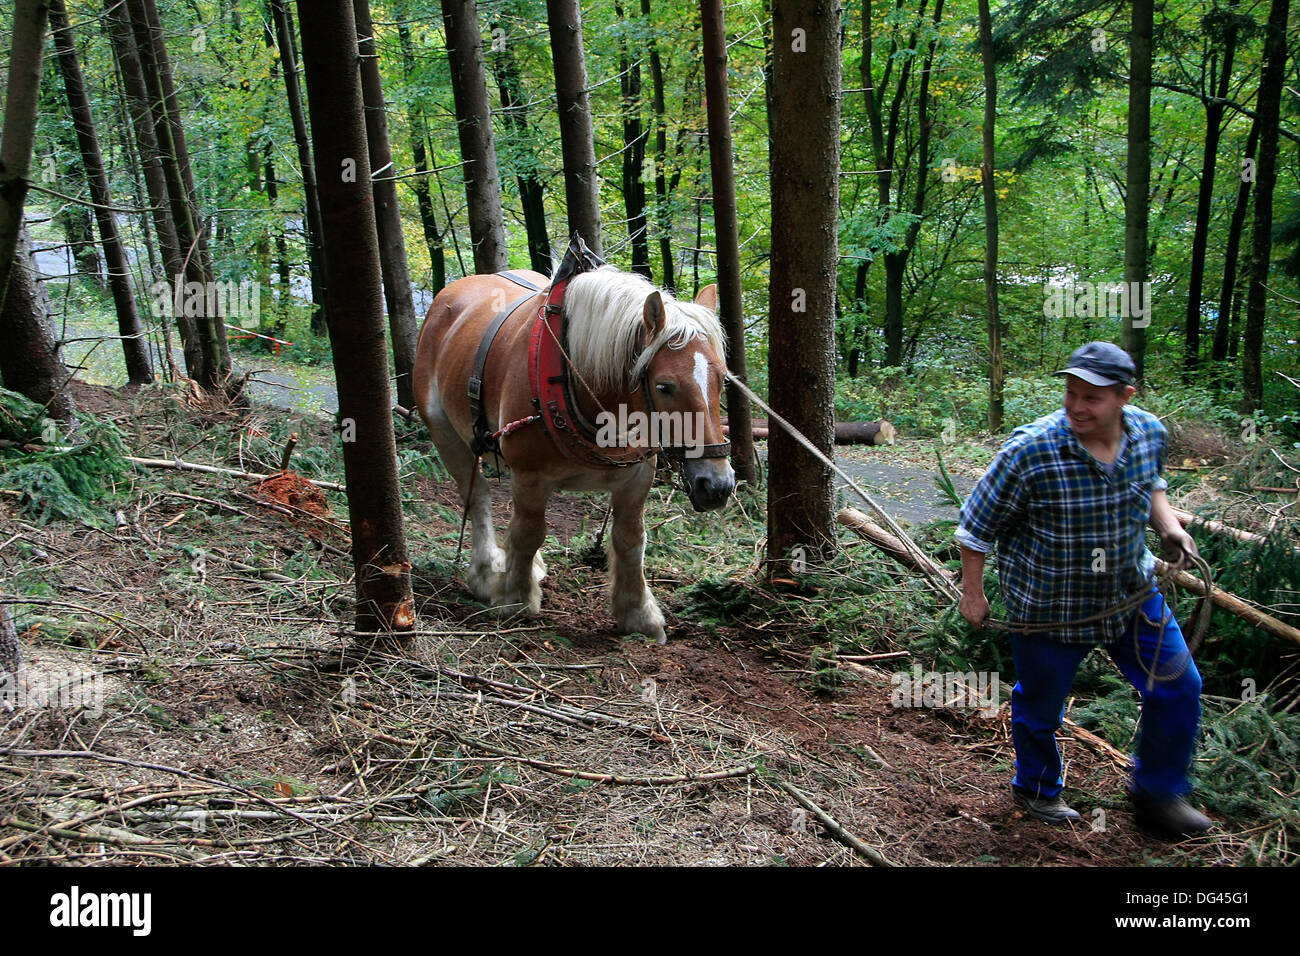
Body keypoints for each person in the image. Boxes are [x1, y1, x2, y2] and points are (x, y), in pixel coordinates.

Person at [956, 342, 1212, 837]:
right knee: (1041, 706)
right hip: (1051, 606)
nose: (1076, 405)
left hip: (1130, 594)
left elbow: (1152, 483)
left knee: (1180, 687)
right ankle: (1036, 789)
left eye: (1092, 397)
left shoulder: (1150, 434)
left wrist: (1169, 527)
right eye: (1071, 392)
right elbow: (974, 528)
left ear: (1124, 397)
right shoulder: (1030, 451)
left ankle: (1158, 795)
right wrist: (973, 593)